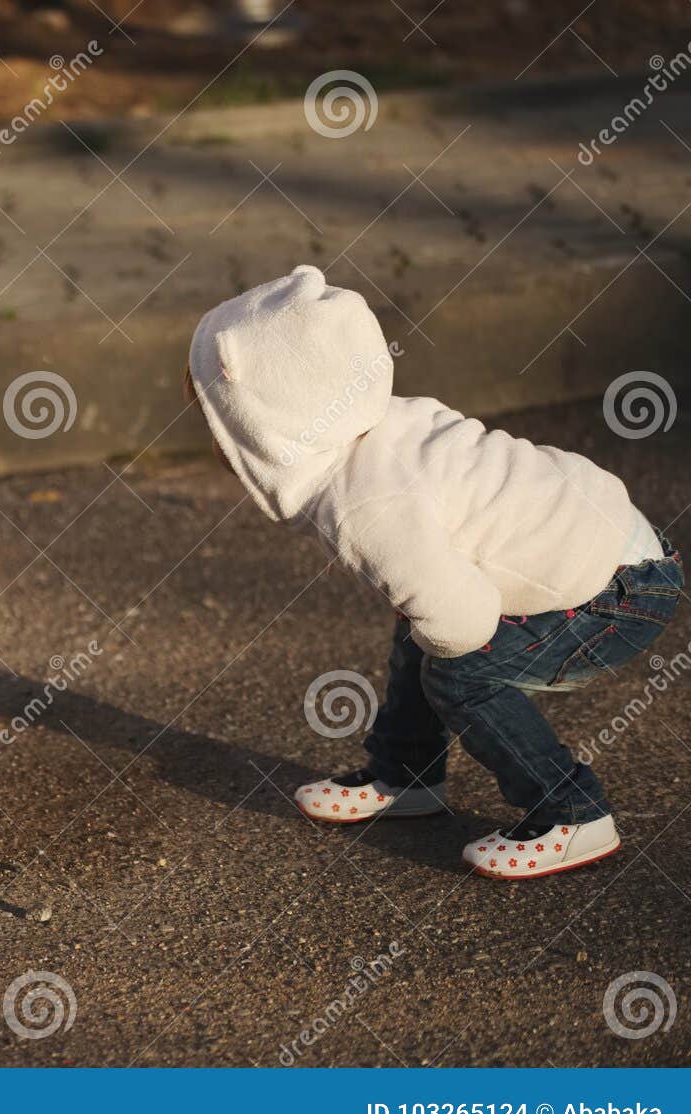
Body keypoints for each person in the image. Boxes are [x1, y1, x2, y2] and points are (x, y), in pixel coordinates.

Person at [184, 265, 682, 879]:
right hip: (609, 540)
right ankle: (407, 775)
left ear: (265, 424)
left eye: (218, 419)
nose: (216, 438)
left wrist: (437, 625)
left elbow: (462, 620)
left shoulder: (365, 504)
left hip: (619, 593)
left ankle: (573, 814)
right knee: (418, 627)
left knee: (459, 669)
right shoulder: (383, 417)